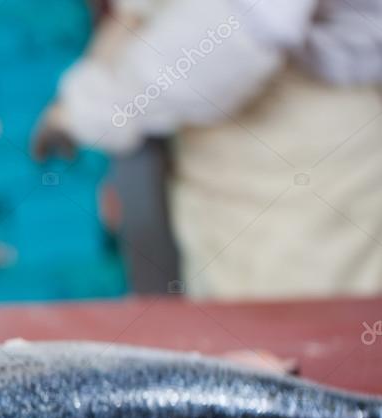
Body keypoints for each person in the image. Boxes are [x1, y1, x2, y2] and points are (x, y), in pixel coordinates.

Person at [33, 0, 382, 300]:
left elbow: (239, 29)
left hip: (303, 151)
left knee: (297, 346)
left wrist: (94, 106)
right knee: (231, 342)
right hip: (214, 149)